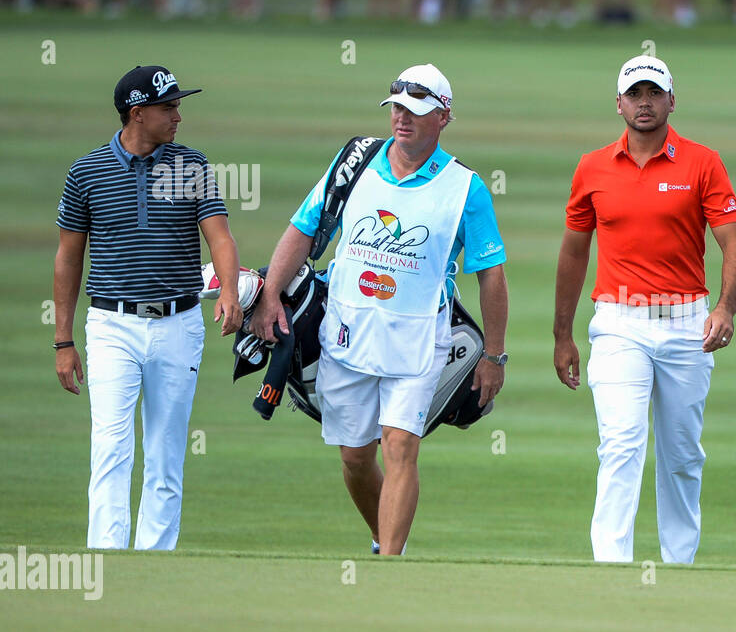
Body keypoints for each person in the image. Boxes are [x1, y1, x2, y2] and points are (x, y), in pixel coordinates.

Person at [250, 65, 508, 557]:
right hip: (345, 332)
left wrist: (493, 355)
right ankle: (385, 540)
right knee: (353, 456)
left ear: (443, 117)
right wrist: (268, 296)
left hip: (418, 340)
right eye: (396, 109)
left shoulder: (466, 188)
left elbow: (491, 274)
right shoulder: (354, 162)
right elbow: (303, 229)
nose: (402, 119)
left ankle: (389, 565)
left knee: (401, 446)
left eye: (416, 110)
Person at [553, 56, 736, 564]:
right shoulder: (592, 166)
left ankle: (678, 563)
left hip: (689, 324)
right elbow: (575, 251)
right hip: (619, 323)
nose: (644, 102)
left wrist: (725, 308)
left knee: (683, 456)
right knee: (621, 443)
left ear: (671, 100)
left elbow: (734, 244)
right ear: (618, 103)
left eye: (654, 93)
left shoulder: (703, 162)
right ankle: (611, 567)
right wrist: (562, 334)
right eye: (634, 94)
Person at [53, 66, 244, 550]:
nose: (179, 115)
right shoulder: (87, 171)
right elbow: (68, 257)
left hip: (178, 323)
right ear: (137, 114)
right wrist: (63, 340)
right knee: (111, 450)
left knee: (165, 453)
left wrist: (226, 290)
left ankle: (155, 562)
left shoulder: (191, 166)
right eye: (169, 107)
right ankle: (107, 558)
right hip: (111, 325)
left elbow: (219, 236)